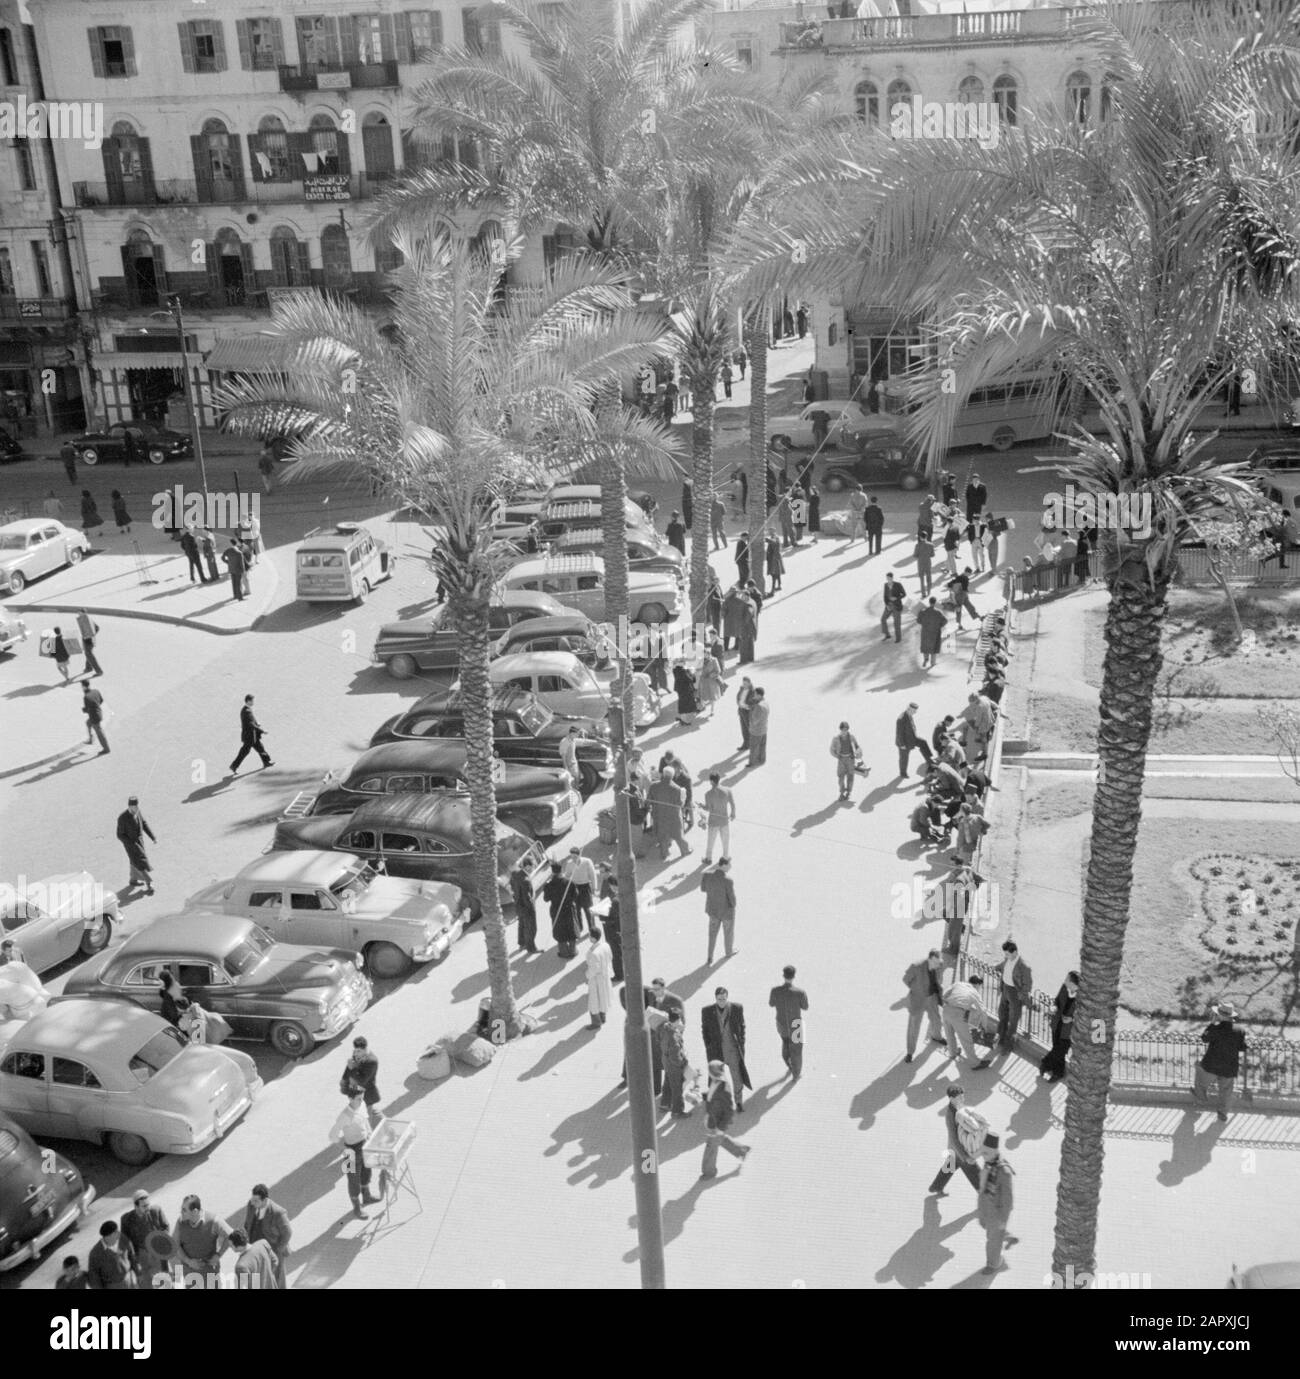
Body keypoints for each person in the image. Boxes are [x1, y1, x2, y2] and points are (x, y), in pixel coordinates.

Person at [1194, 1001, 1248, 1121]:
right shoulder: (1240, 1030)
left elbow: (1204, 1038)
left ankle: (1201, 1098)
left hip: (1211, 1065)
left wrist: (1212, 1024)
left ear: (1220, 1015)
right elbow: (1242, 1047)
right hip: (1229, 1067)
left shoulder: (1216, 1028)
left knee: (1200, 1075)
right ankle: (1222, 1112)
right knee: (1226, 1091)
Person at [928, 1085, 986, 1195]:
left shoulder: (958, 1107)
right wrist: (966, 1157)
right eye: (959, 1097)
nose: (962, 1099)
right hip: (961, 1151)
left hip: (955, 1150)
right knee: (976, 1176)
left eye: (962, 1096)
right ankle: (985, 1197)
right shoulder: (950, 1115)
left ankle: (936, 1187)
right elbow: (954, 1138)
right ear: (951, 1099)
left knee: (948, 1168)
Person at [331, 1091, 380, 1218]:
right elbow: (333, 1135)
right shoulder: (344, 1116)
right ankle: (357, 1208)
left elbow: (366, 1120)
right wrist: (344, 1149)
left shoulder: (362, 1105)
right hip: (350, 1151)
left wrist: (370, 1134)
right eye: (358, 1099)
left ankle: (367, 1196)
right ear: (350, 1098)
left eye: (362, 1098)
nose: (361, 1101)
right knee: (353, 1181)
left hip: (364, 1145)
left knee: (367, 1171)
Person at [700, 1060, 751, 1178]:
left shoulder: (724, 1089)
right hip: (713, 1120)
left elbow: (729, 1111)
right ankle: (741, 1150)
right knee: (719, 1139)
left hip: (717, 1123)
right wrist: (702, 1096)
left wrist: (720, 1127)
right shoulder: (716, 1082)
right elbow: (712, 1095)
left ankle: (709, 1172)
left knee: (711, 1148)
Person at [702, 987, 750, 1110]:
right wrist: (708, 1046)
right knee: (717, 1078)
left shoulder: (736, 1008)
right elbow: (704, 1030)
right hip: (717, 1051)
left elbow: (742, 1026)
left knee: (737, 1077)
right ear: (715, 998)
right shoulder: (707, 1011)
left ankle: (738, 1101)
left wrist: (741, 1041)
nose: (722, 1001)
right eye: (719, 999)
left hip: (732, 1050)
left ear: (727, 998)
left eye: (724, 999)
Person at [978, 1135, 1017, 1273]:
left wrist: (1002, 1219)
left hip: (996, 1211)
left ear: (995, 1151)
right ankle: (1007, 1236)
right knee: (990, 1230)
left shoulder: (1004, 1172)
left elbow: (1007, 1200)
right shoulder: (989, 1161)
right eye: (982, 1152)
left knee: (992, 1240)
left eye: (986, 1153)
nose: (983, 1156)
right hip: (986, 1205)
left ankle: (993, 1264)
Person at [173, 1195, 230, 1285]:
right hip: (190, 1276)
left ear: (195, 1212)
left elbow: (230, 1236)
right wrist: (188, 1261)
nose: (181, 1212)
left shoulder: (213, 1221)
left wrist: (218, 1255)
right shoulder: (180, 1222)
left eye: (184, 1210)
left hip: (211, 1274)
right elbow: (175, 1245)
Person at [120, 1188, 169, 1290]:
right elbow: (125, 1241)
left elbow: (165, 1227)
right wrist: (132, 1260)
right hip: (141, 1255)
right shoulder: (126, 1219)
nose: (147, 1208)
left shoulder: (156, 1210)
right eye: (144, 1206)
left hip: (157, 1251)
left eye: (148, 1204)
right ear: (136, 1206)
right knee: (146, 1283)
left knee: (164, 1280)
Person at [243, 1185, 291, 1288]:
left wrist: (278, 1250)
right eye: (252, 1199)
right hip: (255, 1248)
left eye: (256, 1201)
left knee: (275, 1280)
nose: (252, 1203)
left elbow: (287, 1233)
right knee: (255, 1276)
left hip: (272, 1251)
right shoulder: (251, 1205)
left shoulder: (278, 1212)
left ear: (265, 1200)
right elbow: (247, 1224)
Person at [903, 950, 945, 1062]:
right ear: (929, 959)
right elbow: (906, 980)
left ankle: (936, 1037)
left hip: (932, 997)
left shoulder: (939, 965)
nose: (937, 965)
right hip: (918, 1000)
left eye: (939, 962)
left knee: (936, 1019)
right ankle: (910, 1052)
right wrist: (917, 990)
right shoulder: (916, 966)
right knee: (914, 1026)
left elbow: (938, 980)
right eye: (935, 963)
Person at [769, 964, 809, 1080]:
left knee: (785, 1043)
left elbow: (771, 1004)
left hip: (781, 1024)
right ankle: (796, 1074)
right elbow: (805, 1007)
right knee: (797, 1050)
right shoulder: (800, 992)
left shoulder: (775, 991)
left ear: (783, 976)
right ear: (794, 976)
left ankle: (789, 1063)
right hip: (796, 1024)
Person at [943, 978, 992, 1070]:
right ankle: (975, 1063)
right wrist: (984, 1026)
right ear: (977, 985)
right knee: (966, 1039)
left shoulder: (958, 984)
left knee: (949, 1034)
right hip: (958, 1014)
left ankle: (953, 1053)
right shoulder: (974, 992)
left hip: (946, 1009)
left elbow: (944, 995)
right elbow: (983, 1011)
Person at [1040, 971, 1079, 1081]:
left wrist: (1072, 1019)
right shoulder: (1064, 987)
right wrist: (1054, 1006)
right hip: (1057, 1025)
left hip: (1069, 1031)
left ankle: (1045, 1063)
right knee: (1057, 1050)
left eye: (1067, 979)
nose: (1064, 980)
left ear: (1073, 983)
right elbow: (1057, 1000)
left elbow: (1084, 1017)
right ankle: (1058, 1072)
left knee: (1059, 1051)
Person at [994, 940, 1032, 1053]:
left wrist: (1021, 996)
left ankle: (1008, 1045)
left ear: (1014, 952)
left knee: (1013, 1021)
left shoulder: (1024, 967)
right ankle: (1000, 1038)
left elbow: (1027, 985)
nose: (1005, 956)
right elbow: (1002, 966)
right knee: (1002, 1014)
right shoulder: (1008, 959)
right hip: (1005, 989)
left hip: (1015, 994)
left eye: (1007, 954)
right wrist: (994, 967)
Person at [646, 767, 690, 860]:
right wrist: (684, 797)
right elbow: (680, 804)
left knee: (662, 836)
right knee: (678, 836)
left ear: (663, 774)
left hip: (659, 815)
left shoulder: (654, 786)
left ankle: (664, 853)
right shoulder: (677, 789)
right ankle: (685, 850)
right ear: (672, 776)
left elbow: (648, 801)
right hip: (673, 817)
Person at [116, 795, 156, 894]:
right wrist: (131, 843)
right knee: (141, 862)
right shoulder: (122, 818)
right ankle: (149, 883)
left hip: (139, 842)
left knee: (134, 862)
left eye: (137, 806)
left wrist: (152, 837)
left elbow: (144, 824)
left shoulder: (138, 812)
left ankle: (133, 880)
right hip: (130, 845)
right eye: (134, 806)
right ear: (129, 806)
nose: (136, 808)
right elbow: (119, 835)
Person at [701, 857, 737, 964]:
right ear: (724, 865)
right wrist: (733, 906)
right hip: (726, 912)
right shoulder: (728, 880)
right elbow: (732, 899)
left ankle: (710, 956)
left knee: (712, 934)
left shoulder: (707, 876)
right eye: (729, 864)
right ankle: (729, 952)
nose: (730, 866)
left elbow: (703, 889)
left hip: (713, 910)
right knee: (728, 933)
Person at [542, 860, 579, 958]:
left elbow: (546, 899)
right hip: (569, 909)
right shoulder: (569, 882)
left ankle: (564, 952)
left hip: (556, 910)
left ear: (552, 872)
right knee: (571, 929)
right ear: (561, 870)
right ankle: (573, 951)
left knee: (560, 931)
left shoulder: (548, 885)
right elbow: (575, 895)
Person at [230, 693, 273, 773]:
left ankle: (266, 762)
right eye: (252, 701)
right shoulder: (247, 711)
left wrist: (257, 723)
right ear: (248, 701)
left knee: (260, 748)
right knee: (244, 752)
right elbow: (251, 724)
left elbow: (251, 722)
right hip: (249, 737)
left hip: (252, 735)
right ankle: (234, 766)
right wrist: (262, 731)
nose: (253, 702)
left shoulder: (246, 709)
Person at [87, 1220, 137, 1290]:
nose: (119, 1233)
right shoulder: (96, 1253)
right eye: (115, 1232)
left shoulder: (122, 1238)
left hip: (130, 1279)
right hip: (114, 1285)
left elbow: (131, 1252)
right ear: (108, 1236)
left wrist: (136, 1270)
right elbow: (94, 1277)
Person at [344, 1036, 382, 1125]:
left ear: (365, 1049)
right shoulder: (357, 1055)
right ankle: (389, 1128)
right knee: (372, 1111)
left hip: (367, 1093)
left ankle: (371, 1133)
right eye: (355, 1051)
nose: (355, 1054)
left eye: (358, 1051)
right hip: (358, 1093)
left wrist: (352, 1068)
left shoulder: (372, 1061)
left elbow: (362, 1080)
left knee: (367, 1118)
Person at [562, 846, 599, 938]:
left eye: (575, 856)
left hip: (585, 887)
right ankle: (580, 928)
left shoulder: (587, 862)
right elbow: (567, 876)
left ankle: (592, 928)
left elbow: (593, 875)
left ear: (579, 855)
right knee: (577, 910)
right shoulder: (569, 864)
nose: (573, 859)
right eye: (572, 857)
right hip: (575, 888)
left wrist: (594, 888)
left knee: (588, 910)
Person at [582, 927, 615, 1030]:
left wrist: (587, 975)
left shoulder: (593, 953)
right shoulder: (605, 945)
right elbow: (610, 957)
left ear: (593, 938)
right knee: (603, 998)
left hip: (596, 979)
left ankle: (596, 1023)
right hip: (605, 975)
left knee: (594, 1001)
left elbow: (593, 969)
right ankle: (603, 1017)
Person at [659, 1008, 690, 1116]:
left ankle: (664, 1104)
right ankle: (677, 1111)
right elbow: (676, 1058)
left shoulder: (664, 1027)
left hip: (666, 1062)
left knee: (668, 1083)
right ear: (677, 1020)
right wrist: (683, 1063)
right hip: (674, 1066)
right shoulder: (673, 1037)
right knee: (677, 1088)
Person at [701, 772, 735, 862]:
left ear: (711, 781)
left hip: (713, 821)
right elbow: (732, 804)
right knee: (725, 841)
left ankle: (708, 858)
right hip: (724, 820)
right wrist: (733, 813)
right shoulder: (728, 790)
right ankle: (725, 857)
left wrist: (701, 806)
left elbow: (708, 808)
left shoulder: (708, 794)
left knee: (710, 842)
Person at [895, 701, 932, 778]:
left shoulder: (909, 714)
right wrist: (902, 745)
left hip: (912, 738)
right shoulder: (901, 718)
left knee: (923, 742)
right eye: (914, 711)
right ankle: (903, 773)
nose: (915, 712)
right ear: (909, 709)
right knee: (904, 758)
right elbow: (899, 733)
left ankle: (929, 761)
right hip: (904, 742)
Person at [511, 857, 539, 954]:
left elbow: (512, 887)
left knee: (522, 925)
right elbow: (527, 898)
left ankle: (522, 944)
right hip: (527, 908)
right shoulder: (526, 880)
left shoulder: (515, 874)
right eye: (533, 866)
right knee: (531, 928)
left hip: (518, 906)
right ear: (527, 866)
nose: (533, 868)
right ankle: (531, 948)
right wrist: (532, 909)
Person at [830, 720, 862, 801]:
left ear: (848, 729)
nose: (844, 731)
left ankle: (848, 792)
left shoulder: (851, 737)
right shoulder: (836, 738)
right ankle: (842, 793)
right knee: (840, 777)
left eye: (846, 730)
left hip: (850, 759)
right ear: (840, 729)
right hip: (841, 760)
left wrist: (858, 752)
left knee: (850, 776)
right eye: (842, 730)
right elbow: (831, 750)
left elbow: (857, 747)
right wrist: (837, 756)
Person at [917, 596, 947, 669]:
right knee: (934, 647)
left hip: (925, 631)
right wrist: (939, 625)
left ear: (929, 602)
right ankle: (933, 662)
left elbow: (918, 620)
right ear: (935, 603)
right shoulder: (938, 612)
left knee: (925, 646)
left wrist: (923, 624)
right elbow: (945, 621)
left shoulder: (923, 611)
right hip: (935, 631)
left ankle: (925, 659)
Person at [75, 609, 102, 678]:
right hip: (86, 640)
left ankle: (99, 671)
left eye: (80, 613)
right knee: (88, 654)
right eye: (78, 613)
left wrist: (91, 634)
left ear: (84, 613)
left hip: (89, 641)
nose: (78, 614)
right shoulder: (83, 620)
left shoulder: (88, 620)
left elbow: (97, 628)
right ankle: (88, 668)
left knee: (89, 655)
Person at [746, 687, 769, 768]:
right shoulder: (765, 702)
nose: (753, 696)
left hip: (756, 731)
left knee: (754, 747)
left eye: (755, 694)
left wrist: (751, 712)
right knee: (762, 745)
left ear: (759, 695)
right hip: (764, 728)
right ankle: (762, 760)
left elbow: (754, 720)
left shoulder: (758, 706)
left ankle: (752, 762)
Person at [880, 571, 905, 643]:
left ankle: (898, 638)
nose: (888, 579)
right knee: (883, 619)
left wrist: (896, 598)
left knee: (896, 623)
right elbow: (885, 596)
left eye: (889, 578)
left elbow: (904, 594)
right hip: (889, 605)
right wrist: (887, 605)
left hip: (897, 606)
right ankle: (887, 635)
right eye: (887, 578)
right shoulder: (885, 585)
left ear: (892, 578)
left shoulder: (898, 585)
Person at [672, 660, 699, 725]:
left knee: (682, 702)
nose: (685, 663)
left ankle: (682, 718)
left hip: (680, 689)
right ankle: (685, 721)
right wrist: (692, 673)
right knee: (687, 704)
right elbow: (691, 679)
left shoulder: (675, 669)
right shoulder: (683, 671)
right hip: (686, 689)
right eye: (683, 662)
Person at [222, 535, 247, 601]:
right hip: (238, 570)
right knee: (238, 584)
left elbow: (222, 557)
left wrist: (228, 562)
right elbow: (242, 564)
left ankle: (235, 596)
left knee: (233, 583)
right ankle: (240, 597)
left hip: (231, 569)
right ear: (236, 544)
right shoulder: (239, 553)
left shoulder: (228, 550)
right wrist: (243, 571)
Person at [735, 676, 755, 752]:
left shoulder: (752, 691)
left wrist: (746, 706)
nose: (744, 685)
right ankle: (746, 744)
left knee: (750, 730)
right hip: (741, 711)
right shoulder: (741, 689)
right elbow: (738, 697)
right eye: (743, 683)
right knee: (744, 729)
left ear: (749, 683)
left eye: (746, 683)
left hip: (748, 712)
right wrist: (739, 703)